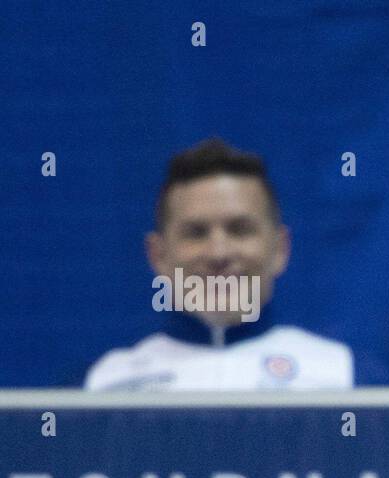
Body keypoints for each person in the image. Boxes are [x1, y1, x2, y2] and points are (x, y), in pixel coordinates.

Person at [85, 138, 354, 391]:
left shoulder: (344, 379)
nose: (218, 254)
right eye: (196, 232)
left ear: (279, 249)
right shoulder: (101, 386)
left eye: (240, 230)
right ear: (159, 256)